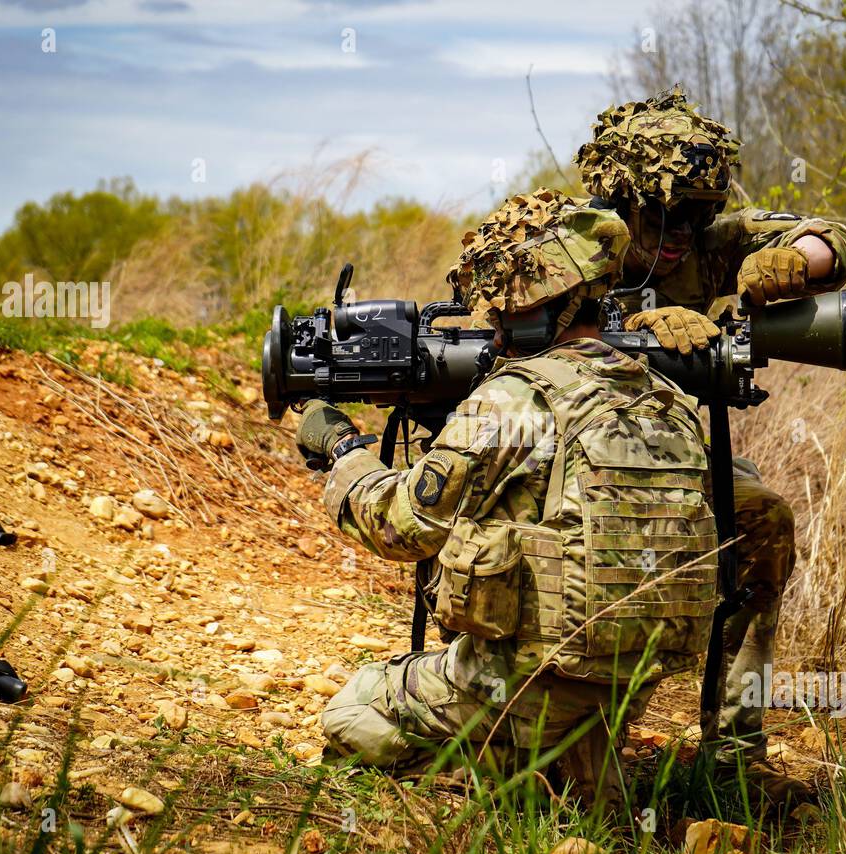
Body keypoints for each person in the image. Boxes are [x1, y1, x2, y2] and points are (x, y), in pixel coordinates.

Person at [298, 189, 719, 806]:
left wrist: (343, 452)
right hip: (624, 686)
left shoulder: (515, 400)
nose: (493, 328)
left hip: (527, 687)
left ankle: (500, 780)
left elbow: (400, 527)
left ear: (542, 307)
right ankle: (575, 765)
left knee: (352, 713)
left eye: (504, 313)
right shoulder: (663, 397)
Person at [576, 87, 846, 807]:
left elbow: (833, 236)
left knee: (761, 516)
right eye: (665, 212)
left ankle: (733, 756)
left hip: (666, 455)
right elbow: (502, 323)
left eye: (699, 212)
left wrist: (797, 260)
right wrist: (634, 332)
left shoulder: (710, 241)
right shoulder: (570, 242)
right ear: (621, 199)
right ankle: (566, 743)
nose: (682, 230)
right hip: (566, 464)